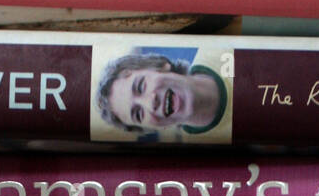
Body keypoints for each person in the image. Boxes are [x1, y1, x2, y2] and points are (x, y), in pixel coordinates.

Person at [96, 51, 229, 136]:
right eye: (138, 113)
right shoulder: (201, 161)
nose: (150, 103)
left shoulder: (222, 51)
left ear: (161, 66)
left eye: (141, 86)